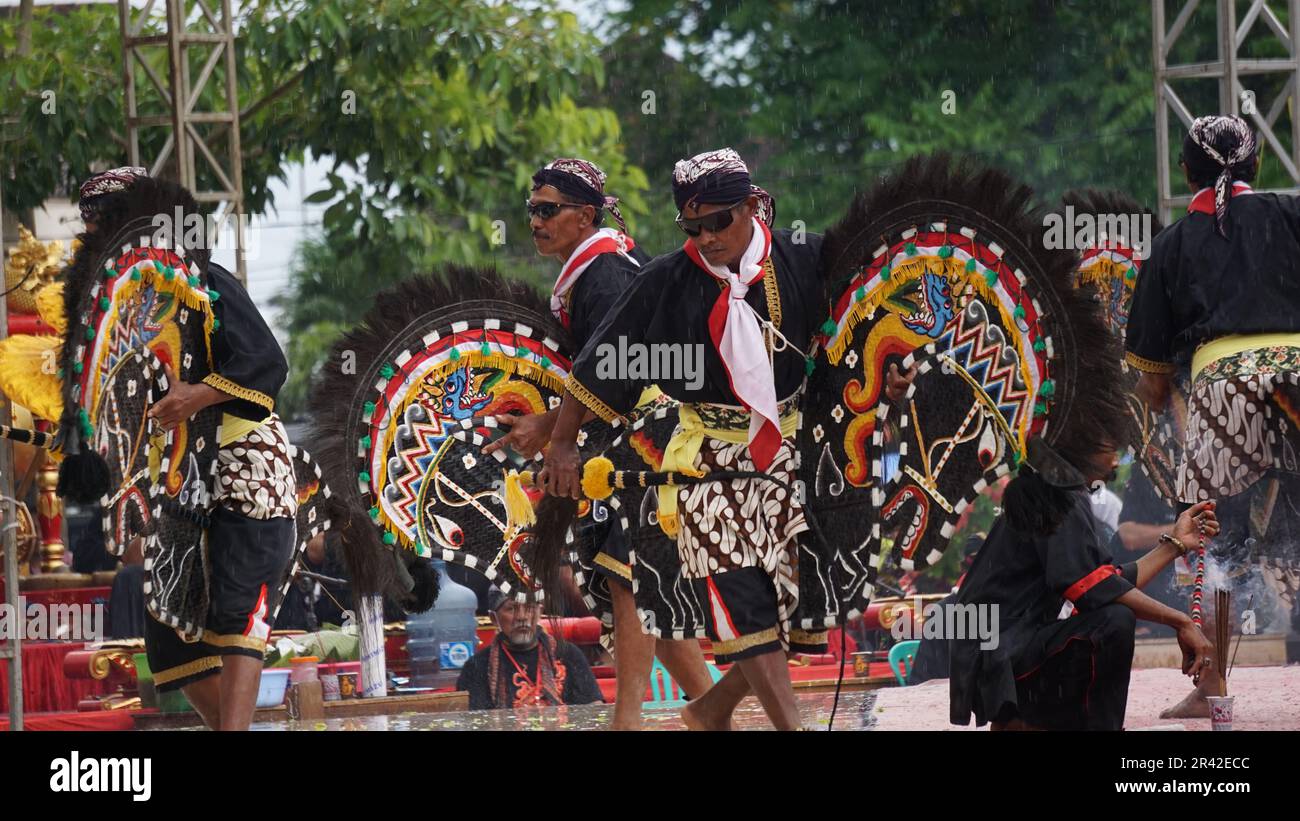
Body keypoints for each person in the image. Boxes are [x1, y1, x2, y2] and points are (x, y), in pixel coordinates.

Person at [539, 148, 833, 730]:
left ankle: (709, 709)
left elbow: (856, 325)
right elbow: (601, 364)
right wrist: (562, 441)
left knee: (794, 615)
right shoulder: (664, 281)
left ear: (754, 206)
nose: (707, 237)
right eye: (692, 227)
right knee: (746, 614)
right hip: (705, 464)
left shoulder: (809, 257)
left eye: (718, 222)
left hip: (793, 452)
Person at [482, 157, 716, 729]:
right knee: (641, 590)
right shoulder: (590, 273)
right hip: (630, 434)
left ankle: (626, 721)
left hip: (650, 436)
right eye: (531, 210)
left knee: (625, 574)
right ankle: (712, 712)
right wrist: (550, 427)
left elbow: (619, 373)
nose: (535, 221)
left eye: (547, 210)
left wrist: (556, 432)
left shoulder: (604, 272)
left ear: (584, 216)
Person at [70, 167, 296, 731]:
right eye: (90, 225)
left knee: (234, 608)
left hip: (243, 464)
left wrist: (194, 397)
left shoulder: (204, 280)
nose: (94, 235)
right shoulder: (115, 311)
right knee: (169, 636)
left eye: (104, 222)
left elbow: (268, 364)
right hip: (176, 480)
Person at [1126, 114, 1300, 717]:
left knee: (1209, 535)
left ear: (1184, 171)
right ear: (1256, 166)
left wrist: (1175, 409)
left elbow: (1150, 379)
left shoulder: (1173, 245)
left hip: (1222, 389)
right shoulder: (1290, 215)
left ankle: (1212, 689)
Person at [949, 441, 1219, 730]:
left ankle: (1022, 721)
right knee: (1113, 621)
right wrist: (1181, 622)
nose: (1116, 458)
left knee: (1112, 611)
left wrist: (1176, 544)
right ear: (1081, 449)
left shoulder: (1056, 490)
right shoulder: (1055, 495)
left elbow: (1107, 580)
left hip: (1001, 650)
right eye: (1107, 447)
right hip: (997, 654)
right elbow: (1090, 588)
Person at [456, 587, 604, 710]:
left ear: (540, 612)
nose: (522, 616)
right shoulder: (477, 667)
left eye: (529, 607)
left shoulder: (568, 654)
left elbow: (593, 710)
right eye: (512, 608)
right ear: (494, 618)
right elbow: (475, 722)